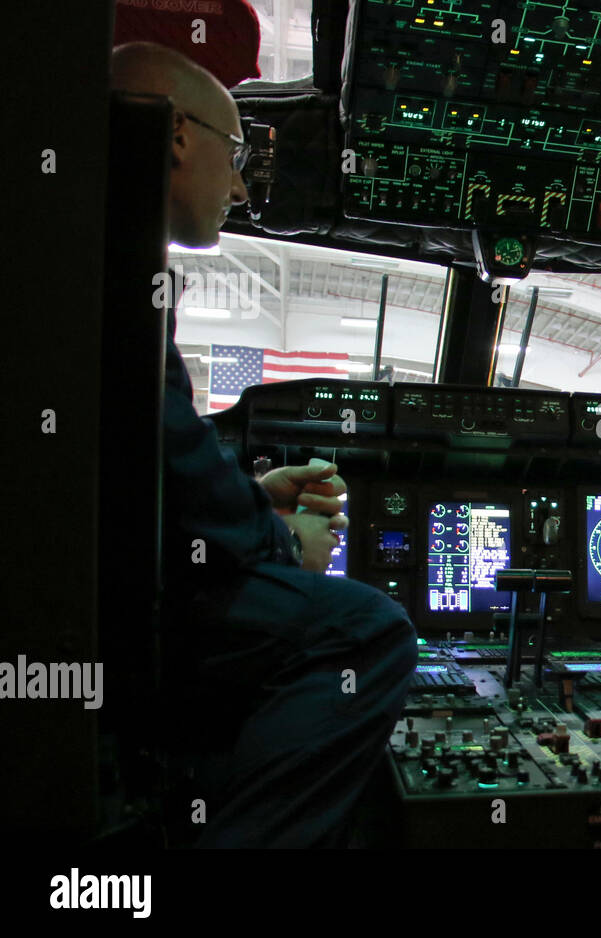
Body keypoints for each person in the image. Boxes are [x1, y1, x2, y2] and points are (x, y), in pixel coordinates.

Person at [110, 42, 417, 847]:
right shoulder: (111, 270)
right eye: (236, 152)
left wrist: (254, 495)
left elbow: (152, 451)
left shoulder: (90, 254)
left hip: (115, 602)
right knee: (369, 629)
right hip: (129, 620)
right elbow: (164, 459)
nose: (242, 185)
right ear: (177, 134)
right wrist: (281, 540)